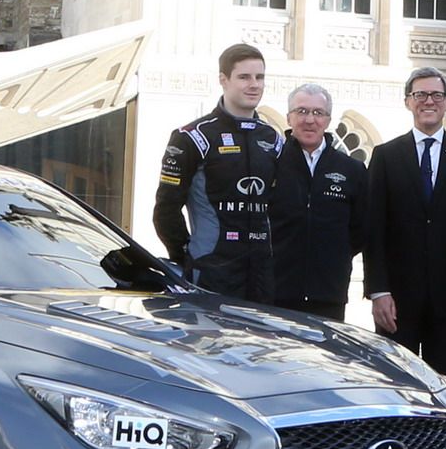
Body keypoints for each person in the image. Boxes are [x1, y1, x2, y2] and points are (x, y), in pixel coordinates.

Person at [366, 68, 446, 376]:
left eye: (436, 95)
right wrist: (378, 290)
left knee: (444, 387)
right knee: (396, 387)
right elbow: (374, 228)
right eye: (420, 95)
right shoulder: (385, 156)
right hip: (396, 299)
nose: (428, 101)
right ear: (408, 101)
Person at [152, 44, 280, 301]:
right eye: (244, 77)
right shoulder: (192, 137)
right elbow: (166, 209)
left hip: (263, 273)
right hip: (212, 269)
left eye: (260, 77)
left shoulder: (273, 138)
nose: (254, 85)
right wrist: (187, 256)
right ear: (223, 80)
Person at [272, 83, 372, 319]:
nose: (310, 120)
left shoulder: (352, 169)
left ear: (328, 121)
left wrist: (334, 254)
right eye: (302, 111)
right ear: (288, 118)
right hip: (276, 291)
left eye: (318, 113)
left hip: (328, 293)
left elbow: (362, 228)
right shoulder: (270, 164)